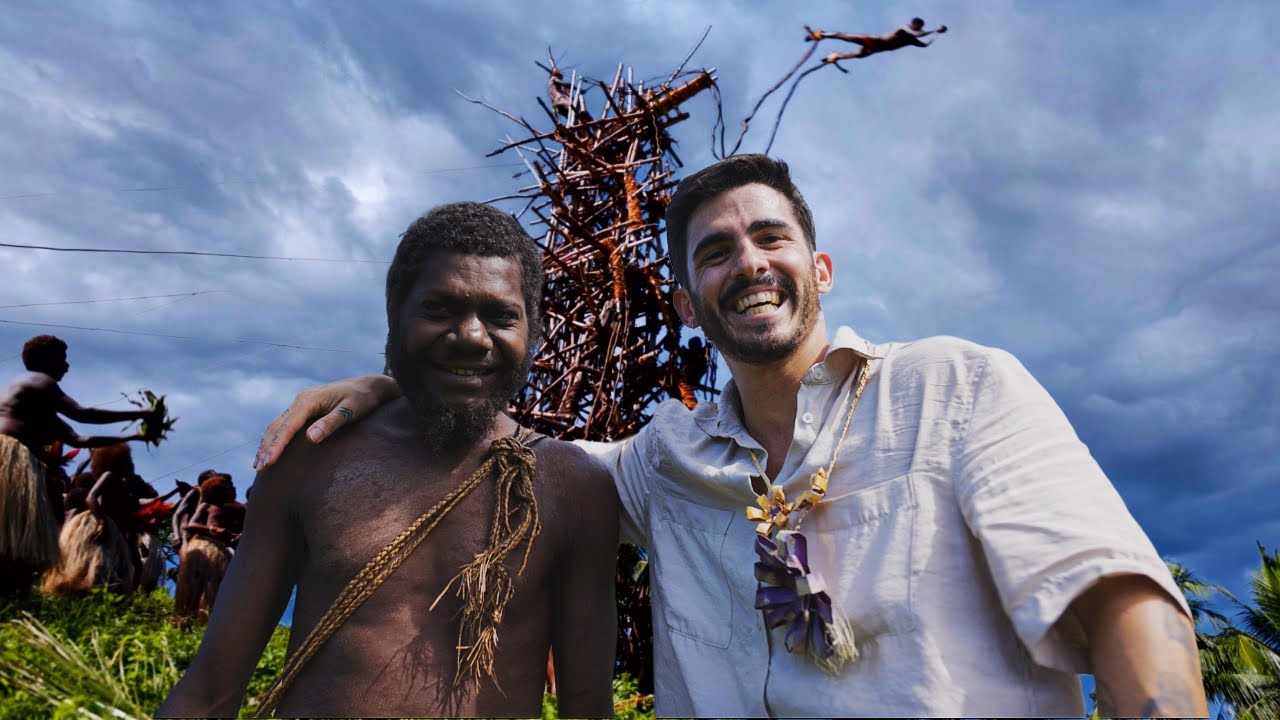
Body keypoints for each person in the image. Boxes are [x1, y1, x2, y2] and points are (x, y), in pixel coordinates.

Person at [253, 155, 1208, 718]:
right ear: (685, 299)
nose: (748, 263)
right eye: (715, 252)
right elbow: (508, 458)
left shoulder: (956, 387)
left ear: (818, 265)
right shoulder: (663, 464)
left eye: (769, 238)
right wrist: (404, 378)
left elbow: (1119, 595)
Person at [159, 202, 618, 718]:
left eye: (500, 315)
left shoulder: (574, 486)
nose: (470, 336)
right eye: (439, 309)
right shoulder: (312, 460)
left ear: (531, 330)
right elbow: (209, 692)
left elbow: (588, 709)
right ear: (394, 317)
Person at [0, 335, 162, 597]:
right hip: (9, 456)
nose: (67, 366)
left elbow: (79, 439)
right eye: (62, 359)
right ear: (45, 360)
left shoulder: (36, 405)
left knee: (13, 541)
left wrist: (134, 437)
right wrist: (142, 413)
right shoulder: (40, 381)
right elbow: (83, 413)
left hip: (13, 458)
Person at [806, 17, 948, 66]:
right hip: (874, 40)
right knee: (846, 37)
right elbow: (919, 35)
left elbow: (924, 44)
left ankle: (836, 56)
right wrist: (935, 30)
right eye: (914, 24)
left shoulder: (913, 38)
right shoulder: (904, 28)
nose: (915, 27)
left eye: (917, 26)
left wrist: (937, 33)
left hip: (877, 48)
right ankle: (822, 34)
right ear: (912, 23)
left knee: (858, 55)